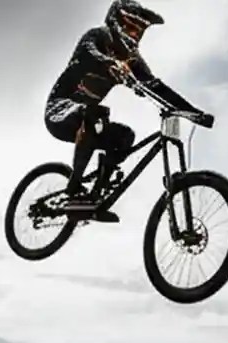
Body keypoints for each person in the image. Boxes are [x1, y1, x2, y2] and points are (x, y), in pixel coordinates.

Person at [44, 0, 210, 221]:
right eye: (131, 27)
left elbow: (155, 85)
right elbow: (90, 54)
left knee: (125, 136)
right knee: (97, 113)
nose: (134, 35)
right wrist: (111, 64)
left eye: (139, 31)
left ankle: (96, 199)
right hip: (60, 111)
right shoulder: (97, 36)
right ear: (116, 21)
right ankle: (71, 192)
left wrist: (191, 111)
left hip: (88, 120)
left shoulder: (131, 59)